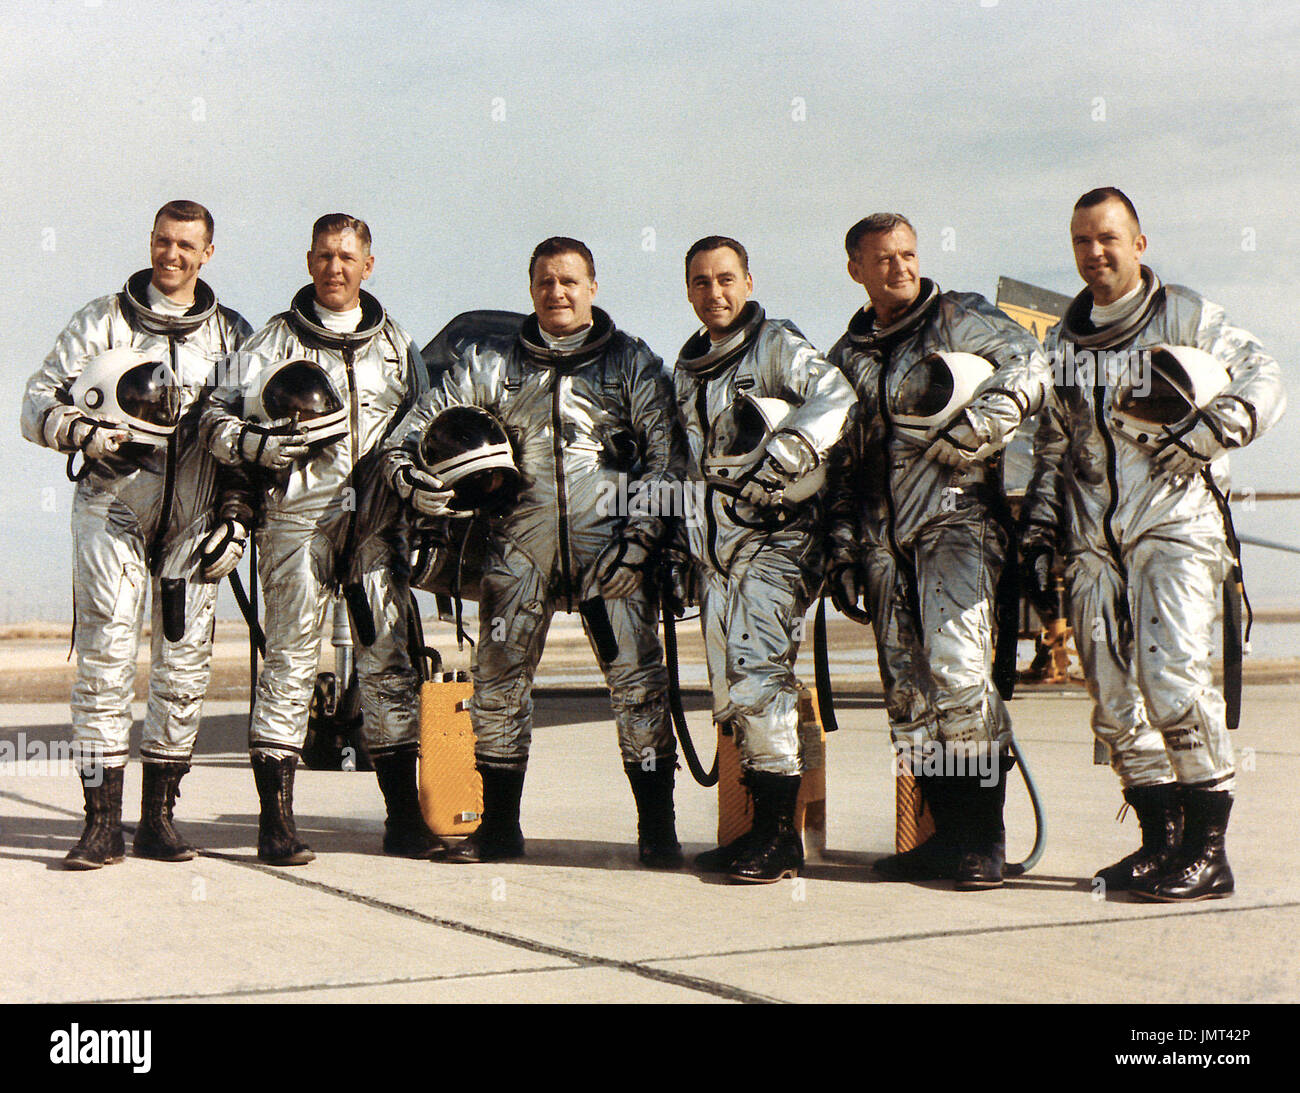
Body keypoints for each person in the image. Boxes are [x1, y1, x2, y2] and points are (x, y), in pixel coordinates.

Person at [382, 237, 689, 867]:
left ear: (593, 288)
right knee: (497, 686)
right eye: (547, 282)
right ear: (531, 290)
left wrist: (640, 541)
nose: (558, 293)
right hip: (520, 547)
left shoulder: (630, 363)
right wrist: (409, 477)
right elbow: (413, 431)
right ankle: (499, 829)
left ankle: (657, 831)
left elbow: (668, 458)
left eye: (570, 282)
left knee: (640, 689)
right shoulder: (490, 364)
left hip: (614, 551)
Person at [1020, 188, 1285, 901]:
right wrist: (1043, 533)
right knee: (1112, 697)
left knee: (1172, 680)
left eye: (1107, 238)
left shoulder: (1186, 315)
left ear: (1139, 242)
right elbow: (1053, 443)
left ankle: (1209, 852)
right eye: (1081, 241)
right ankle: (1160, 842)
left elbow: (1265, 375)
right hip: (1092, 539)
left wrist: (1210, 431)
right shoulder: (1063, 342)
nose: (1094, 253)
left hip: (1173, 525)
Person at [21, 200, 253, 869]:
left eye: (186, 244)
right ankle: (101, 824)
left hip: (196, 520)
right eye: (162, 241)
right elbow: (37, 401)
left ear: (208, 251)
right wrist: (79, 429)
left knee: (183, 673)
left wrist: (237, 517)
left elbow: (246, 433)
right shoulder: (103, 321)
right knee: (106, 662)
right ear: (149, 241)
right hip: (113, 508)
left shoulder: (233, 336)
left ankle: (158, 819)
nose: (171, 255)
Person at [824, 213, 1052, 890]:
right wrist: (840, 548)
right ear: (856, 269)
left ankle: (983, 839)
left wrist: (986, 421)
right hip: (882, 545)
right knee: (911, 701)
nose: (900, 267)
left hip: (956, 525)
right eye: (884, 258)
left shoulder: (958, 317)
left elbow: (1035, 362)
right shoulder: (849, 357)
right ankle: (944, 838)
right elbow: (840, 461)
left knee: (957, 678)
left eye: (908, 254)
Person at [202, 213, 435, 865]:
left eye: (347, 256)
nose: (335, 267)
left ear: (369, 263)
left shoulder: (398, 346)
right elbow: (214, 422)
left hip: (376, 529)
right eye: (325, 255)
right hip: (296, 524)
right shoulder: (270, 343)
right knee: (289, 666)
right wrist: (255, 444)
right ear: (309, 261)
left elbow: (423, 431)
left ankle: (402, 817)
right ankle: (275, 823)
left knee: (389, 668)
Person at [673, 236, 854, 883]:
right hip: (717, 551)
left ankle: (781, 838)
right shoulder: (687, 368)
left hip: (780, 538)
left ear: (748, 280)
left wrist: (784, 457)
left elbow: (836, 397)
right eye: (700, 281)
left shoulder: (776, 343)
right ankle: (756, 827)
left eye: (726, 278)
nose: (714, 292)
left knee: (757, 677)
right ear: (689, 289)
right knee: (729, 693)